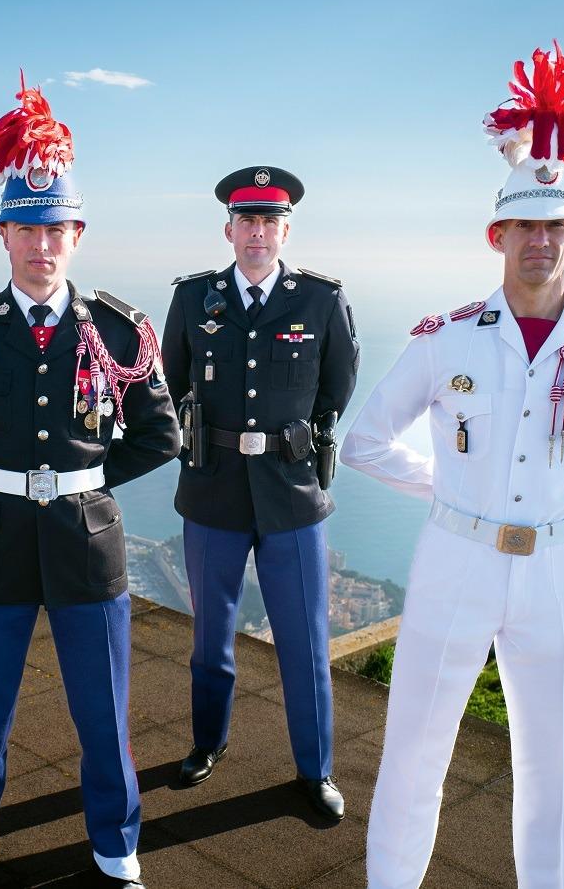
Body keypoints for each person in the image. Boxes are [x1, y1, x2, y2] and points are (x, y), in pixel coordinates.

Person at [339, 43, 564, 888]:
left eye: (556, 225)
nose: (540, 240)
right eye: (525, 225)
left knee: (556, 777)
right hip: (453, 560)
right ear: (497, 235)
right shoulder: (447, 339)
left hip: (558, 573)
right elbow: (364, 440)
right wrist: (454, 492)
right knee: (413, 757)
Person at [0, 77, 179, 889]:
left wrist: (88, 478)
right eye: (26, 228)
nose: (41, 245)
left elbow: (162, 433)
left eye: (55, 229)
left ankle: (117, 847)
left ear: (77, 234)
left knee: (104, 712)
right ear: (4, 235)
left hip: (87, 540)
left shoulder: (118, 329)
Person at [160, 166, 359, 819]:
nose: (257, 233)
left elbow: (336, 386)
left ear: (285, 231)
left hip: (292, 494)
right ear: (229, 229)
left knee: (305, 642)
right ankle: (207, 742)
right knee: (210, 636)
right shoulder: (194, 298)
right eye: (246, 220)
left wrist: (295, 439)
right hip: (212, 488)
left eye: (269, 221)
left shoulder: (321, 300)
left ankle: (316, 769)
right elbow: (172, 379)